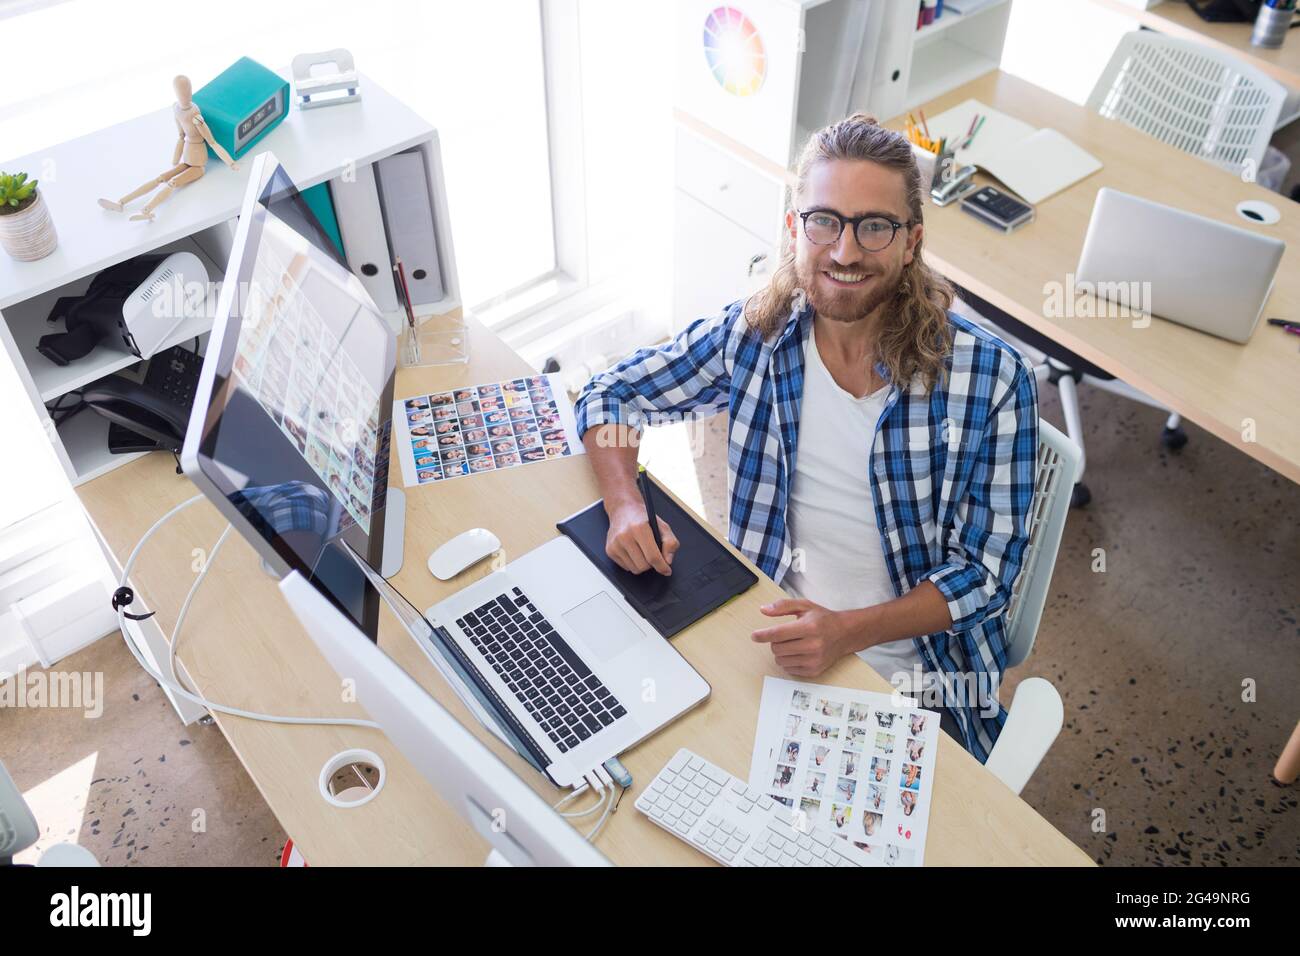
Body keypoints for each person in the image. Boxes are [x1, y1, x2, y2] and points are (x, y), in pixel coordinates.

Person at [574, 113, 1038, 762]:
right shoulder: (757, 334)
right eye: (825, 221)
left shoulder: (991, 379)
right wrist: (625, 506)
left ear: (912, 242)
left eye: (875, 226)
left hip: (912, 674)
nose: (846, 252)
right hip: (764, 638)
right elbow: (611, 394)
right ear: (795, 230)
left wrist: (846, 632)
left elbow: (986, 576)